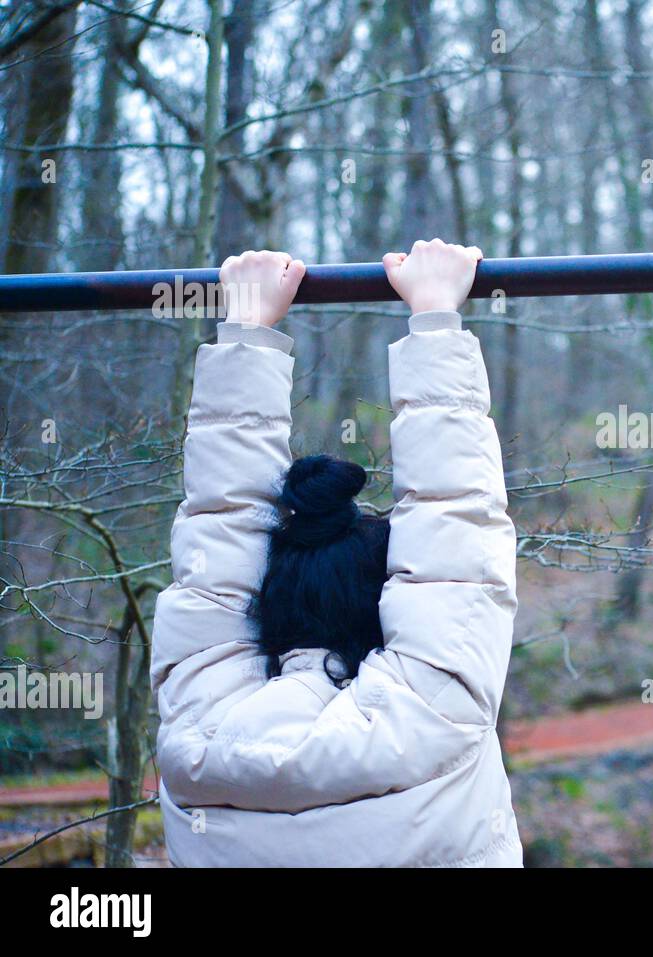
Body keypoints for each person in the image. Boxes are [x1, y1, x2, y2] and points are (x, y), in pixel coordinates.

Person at [150, 240, 521, 867]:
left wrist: (246, 335)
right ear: (385, 605)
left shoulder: (201, 732)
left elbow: (219, 556)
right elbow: (453, 524)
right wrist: (434, 319)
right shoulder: (428, 713)